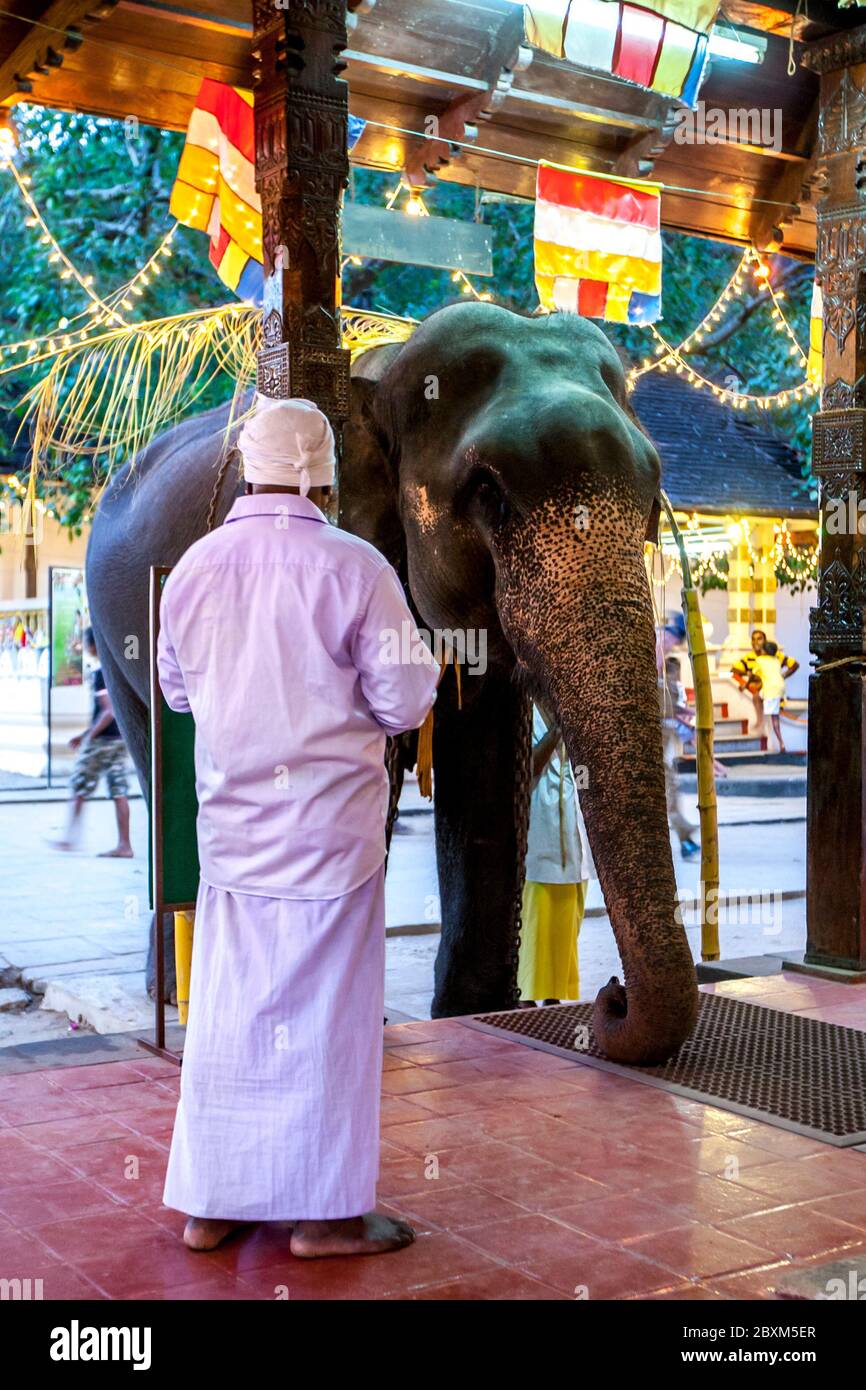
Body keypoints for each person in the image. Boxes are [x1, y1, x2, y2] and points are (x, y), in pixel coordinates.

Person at [157, 394, 439, 1260]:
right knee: (327, 1020)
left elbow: (174, 690)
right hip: (331, 842)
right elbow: (407, 698)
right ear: (324, 479)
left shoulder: (197, 567)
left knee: (231, 1014)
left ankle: (211, 1208)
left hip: (235, 841)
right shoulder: (356, 569)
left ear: (249, 468)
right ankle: (324, 1218)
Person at [518, 704, 594, 1006]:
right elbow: (528, 770)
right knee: (534, 922)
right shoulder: (525, 713)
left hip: (571, 836)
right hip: (538, 831)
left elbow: (585, 776)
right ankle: (525, 994)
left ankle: (553, 995)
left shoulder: (572, 707)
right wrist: (557, 732)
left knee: (567, 920)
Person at [52, 627, 133, 857]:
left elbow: (108, 712)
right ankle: (124, 844)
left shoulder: (100, 673)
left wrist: (89, 736)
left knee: (79, 786)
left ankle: (69, 839)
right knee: (119, 790)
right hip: (119, 738)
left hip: (102, 741)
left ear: (92, 645)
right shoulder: (115, 670)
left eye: (86, 644)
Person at [658, 614, 700, 860]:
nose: (672, 644)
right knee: (668, 789)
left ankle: (684, 838)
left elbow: (672, 706)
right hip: (652, 740)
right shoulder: (654, 661)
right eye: (671, 637)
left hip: (665, 738)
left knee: (670, 786)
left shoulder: (670, 666)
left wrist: (687, 716)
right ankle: (684, 837)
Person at [732, 628, 798, 735]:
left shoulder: (776, 656)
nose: (755, 642)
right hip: (763, 690)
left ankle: (763, 726)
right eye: (753, 639)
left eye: (759, 639)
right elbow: (734, 669)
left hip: (772, 691)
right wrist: (747, 674)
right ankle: (762, 725)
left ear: (765, 641)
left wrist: (782, 676)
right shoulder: (749, 657)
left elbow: (794, 665)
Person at [751, 639, 788, 753]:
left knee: (772, 718)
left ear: (764, 650)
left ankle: (777, 743)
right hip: (780, 687)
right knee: (759, 697)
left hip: (770, 689)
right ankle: (778, 742)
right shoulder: (776, 660)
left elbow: (754, 673)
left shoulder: (760, 660)